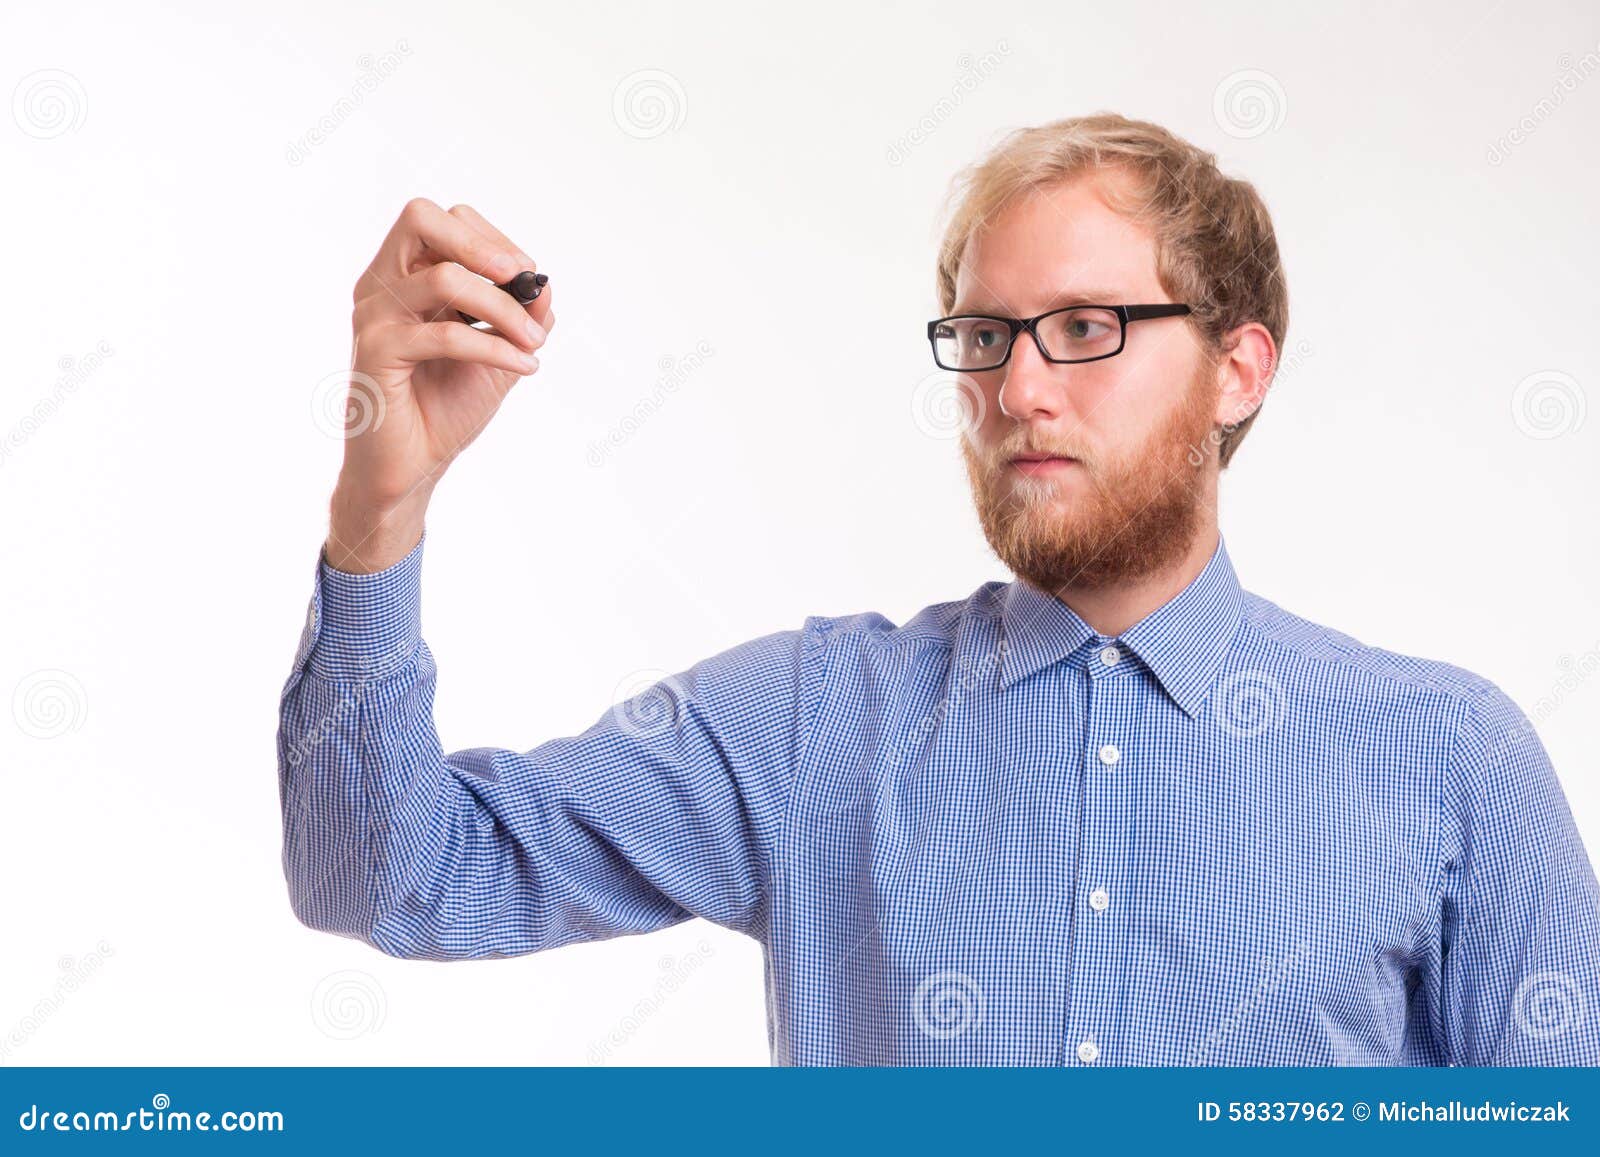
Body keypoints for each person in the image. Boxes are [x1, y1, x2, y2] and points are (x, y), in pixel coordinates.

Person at [277, 113, 1600, 1066]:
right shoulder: (813, 720)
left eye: (1087, 329)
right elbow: (390, 876)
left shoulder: (1451, 755)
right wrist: (379, 506)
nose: (1017, 390)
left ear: (1238, 368)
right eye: (984, 337)